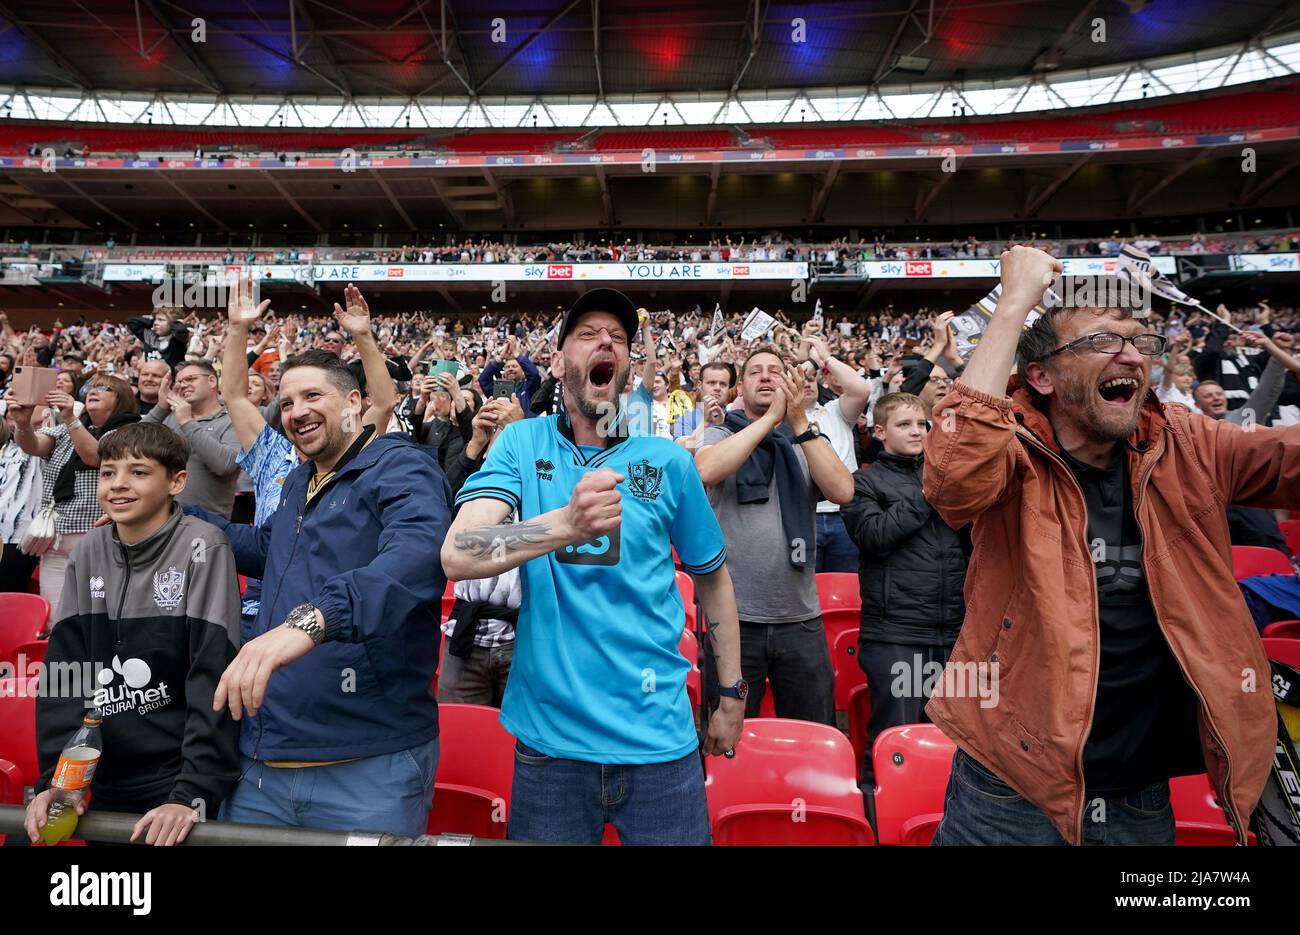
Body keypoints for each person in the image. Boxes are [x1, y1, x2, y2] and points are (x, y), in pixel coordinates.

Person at [924, 245, 1300, 846]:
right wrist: (1014, 303)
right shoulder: (1014, 449)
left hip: (1138, 790)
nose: (1130, 353)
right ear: (1042, 377)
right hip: (1011, 786)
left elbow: (1288, 459)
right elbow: (952, 476)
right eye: (1101, 341)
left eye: (1139, 341)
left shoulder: (1186, 442)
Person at [443, 287, 744, 845]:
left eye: (618, 337)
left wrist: (731, 694)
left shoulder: (668, 462)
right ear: (557, 363)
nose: (606, 340)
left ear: (628, 366)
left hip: (659, 742)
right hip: (550, 748)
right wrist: (566, 526)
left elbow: (714, 580)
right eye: (586, 334)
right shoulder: (519, 442)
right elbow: (459, 554)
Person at [190, 347, 451, 838]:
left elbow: (416, 556)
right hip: (264, 758)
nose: (296, 411)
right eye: (286, 403)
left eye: (313, 395)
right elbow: (272, 548)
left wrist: (312, 621)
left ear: (354, 401)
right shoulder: (298, 481)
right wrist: (179, 518)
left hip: (367, 762)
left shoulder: (401, 468)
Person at [26, 422, 240, 846]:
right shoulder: (88, 549)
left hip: (174, 782)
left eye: (138, 472)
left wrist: (191, 792)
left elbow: (211, 676)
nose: (118, 485)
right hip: (102, 776)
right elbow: (67, 673)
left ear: (177, 481)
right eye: (108, 472)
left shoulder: (204, 547)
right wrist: (60, 778)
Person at [694, 346, 854, 725]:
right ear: (740, 388)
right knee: (728, 739)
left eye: (775, 371)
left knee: (814, 732)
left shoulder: (808, 439)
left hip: (800, 617)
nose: (766, 377)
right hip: (734, 620)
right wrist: (770, 420)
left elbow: (843, 491)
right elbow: (706, 470)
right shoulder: (719, 433)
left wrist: (796, 422)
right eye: (755, 372)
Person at [841, 392, 966, 787]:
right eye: (905, 425)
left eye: (922, 424)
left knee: (955, 743)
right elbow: (873, 535)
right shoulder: (863, 482)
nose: (917, 431)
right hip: (897, 635)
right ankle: (878, 821)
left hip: (956, 632)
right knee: (892, 741)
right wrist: (930, 489)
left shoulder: (948, 476)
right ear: (879, 432)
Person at [4, 374, 139, 616]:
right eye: (90, 387)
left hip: (98, 536)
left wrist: (69, 418)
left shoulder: (128, 431)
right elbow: (32, 445)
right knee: (57, 620)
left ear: (123, 397)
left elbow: (97, 457)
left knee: (94, 615)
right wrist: (23, 424)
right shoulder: (69, 428)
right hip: (56, 536)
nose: (93, 391)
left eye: (104, 388)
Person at [799, 330, 873, 573]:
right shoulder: (781, 420)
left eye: (812, 379)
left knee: (847, 588)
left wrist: (826, 357)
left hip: (846, 515)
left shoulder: (836, 411)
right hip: (803, 517)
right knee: (807, 589)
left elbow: (861, 390)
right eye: (802, 379)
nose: (807, 383)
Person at [142, 360, 242, 519]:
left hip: (209, 523)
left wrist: (187, 423)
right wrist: (161, 407)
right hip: (162, 518)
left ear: (212, 381)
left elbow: (225, 465)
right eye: (180, 381)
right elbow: (133, 443)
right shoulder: (171, 418)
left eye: (190, 379)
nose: (183, 385)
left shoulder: (233, 419)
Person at [0, 406, 42, 592]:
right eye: (10, 408)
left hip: (18, 536)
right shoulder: (4, 447)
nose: (13, 411)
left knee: (8, 599)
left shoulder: (45, 444)